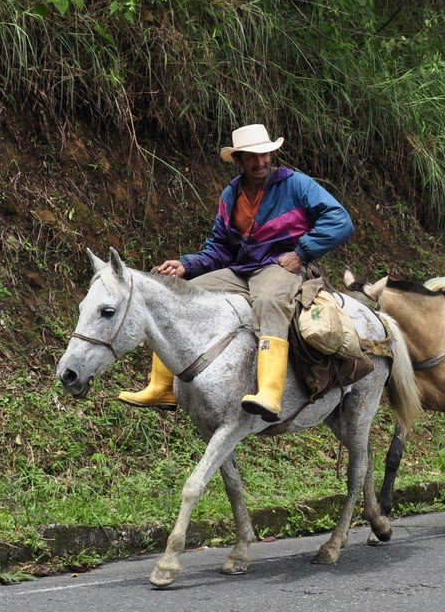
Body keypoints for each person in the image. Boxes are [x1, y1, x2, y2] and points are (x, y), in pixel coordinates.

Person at [119, 123, 354, 421]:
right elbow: (220, 247)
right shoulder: (231, 195)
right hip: (241, 269)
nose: (261, 162)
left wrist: (301, 252)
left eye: (265, 154)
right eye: (252, 157)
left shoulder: (296, 184)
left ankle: (270, 393)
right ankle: (162, 386)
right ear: (239, 160)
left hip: (279, 266)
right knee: (177, 295)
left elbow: (340, 220)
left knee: (269, 302)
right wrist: (186, 265)